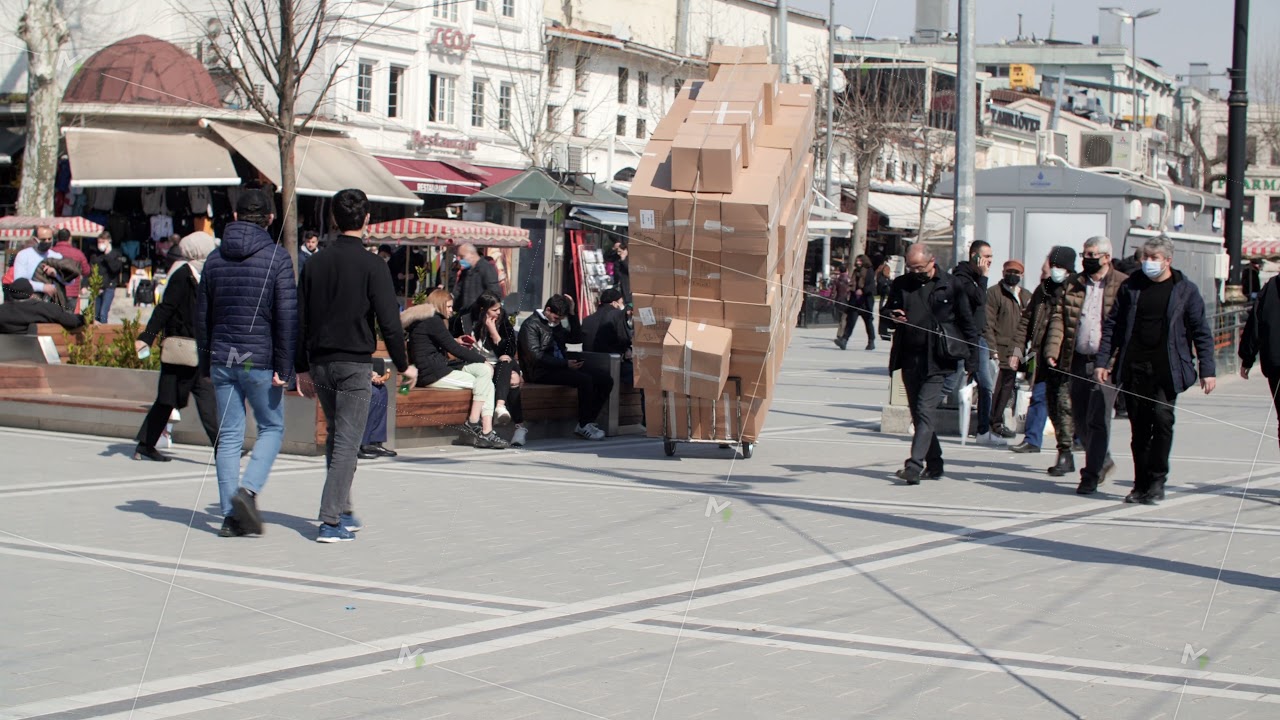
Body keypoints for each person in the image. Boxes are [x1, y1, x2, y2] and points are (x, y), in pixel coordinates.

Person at [296, 188, 416, 543]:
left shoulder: (314, 262)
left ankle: (343, 510)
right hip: (352, 365)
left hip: (320, 363)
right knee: (349, 441)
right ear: (366, 220)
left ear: (333, 219)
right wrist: (404, 362)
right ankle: (329, 520)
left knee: (338, 436)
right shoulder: (373, 266)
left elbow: (300, 318)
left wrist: (300, 366)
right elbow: (389, 323)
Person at [196, 188, 297, 539]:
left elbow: (202, 316)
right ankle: (247, 491)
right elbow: (286, 317)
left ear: (236, 217)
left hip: (223, 358)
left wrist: (204, 363)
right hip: (260, 360)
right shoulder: (277, 258)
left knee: (229, 437)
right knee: (271, 428)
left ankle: (229, 516)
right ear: (269, 218)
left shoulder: (213, 259)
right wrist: (286, 367)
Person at [1097, 235, 1216, 504]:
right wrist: (1103, 361)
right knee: (1139, 428)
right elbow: (1113, 326)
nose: (1148, 263)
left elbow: (1201, 332)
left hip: (1168, 368)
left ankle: (1157, 479)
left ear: (1168, 261)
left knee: (1162, 420)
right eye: (1145, 258)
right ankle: (1140, 484)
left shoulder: (1185, 290)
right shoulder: (1132, 286)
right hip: (1135, 366)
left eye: (1154, 259)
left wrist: (1208, 369)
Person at [886, 243, 980, 484]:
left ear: (932, 261)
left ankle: (914, 466)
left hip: (939, 360)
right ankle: (935, 463)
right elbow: (886, 311)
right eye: (910, 267)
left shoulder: (951, 285)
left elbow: (968, 323)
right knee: (918, 415)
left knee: (925, 412)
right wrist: (892, 315)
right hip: (909, 358)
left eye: (919, 267)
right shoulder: (901, 284)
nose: (915, 272)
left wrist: (973, 358)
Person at [1043, 235, 1128, 494]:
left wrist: (1116, 359)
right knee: (1079, 418)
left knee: (1098, 417)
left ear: (1106, 257)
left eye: (1092, 255)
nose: (1087, 259)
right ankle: (1102, 459)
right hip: (1078, 358)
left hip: (1106, 363)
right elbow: (1059, 317)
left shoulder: (1122, 284)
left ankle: (1090, 474)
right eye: (1085, 255)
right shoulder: (1074, 284)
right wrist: (1053, 347)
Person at [132, 233, 220, 464]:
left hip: (198, 351)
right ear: (199, 251)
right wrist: (146, 337)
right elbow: (165, 309)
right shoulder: (182, 275)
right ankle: (145, 444)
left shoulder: (206, 275)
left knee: (207, 398)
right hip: (179, 351)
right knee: (166, 400)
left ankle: (223, 447)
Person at [401, 289, 507, 449]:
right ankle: (482, 430)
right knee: (486, 382)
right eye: (449, 306)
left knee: (484, 374)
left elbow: (444, 343)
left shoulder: (428, 319)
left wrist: (456, 341)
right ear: (440, 305)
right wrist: (483, 359)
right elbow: (453, 349)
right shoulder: (433, 320)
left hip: (439, 368)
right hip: (433, 374)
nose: (452, 310)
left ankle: (479, 428)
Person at [519, 294, 613, 441]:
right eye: (556, 318)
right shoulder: (530, 325)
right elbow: (536, 356)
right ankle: (584, 424)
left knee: (605, 379)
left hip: (561, 366)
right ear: (548, 310)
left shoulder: (555, 325)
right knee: (585, 380)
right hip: (540, 371)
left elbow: (576, 338)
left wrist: (573, 314)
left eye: (561, 319)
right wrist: (565, 364)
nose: (558, 321)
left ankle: (588, 420)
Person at [1009, 248, 1074, 455]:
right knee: (1038, 395)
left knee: (1067, 402)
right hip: (1039, 353)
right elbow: (1026, 322)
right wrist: (1017, 352)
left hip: (1065, 357)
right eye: (1050, 265)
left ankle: (1077, 439)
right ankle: (1032, 439)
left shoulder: (1074, 290)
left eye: (1056, 266)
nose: (1051, 270)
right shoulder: (1042, 290)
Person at [948, 241, 994, 439]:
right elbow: (978, 299)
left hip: (979, 337)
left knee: (986, 383)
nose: (990, 261)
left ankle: (983, 430)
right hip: (964, 337)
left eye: (991, 256)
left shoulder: (975, 277)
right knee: (951, 380)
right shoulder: (962, 277)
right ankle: (919, 419)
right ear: (975, 256)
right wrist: (983, 277)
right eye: (986, 256)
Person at [471, 291, 528, 447]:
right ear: (483, 309)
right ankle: (519, 427)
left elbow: (509, 352)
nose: (498, 312)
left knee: (506, 364)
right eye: (494, 310)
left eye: (499, 308)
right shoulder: (469, 321)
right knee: (513, 379)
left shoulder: (503, 321)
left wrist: (494, 333)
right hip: (482, 365)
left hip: (503, 363)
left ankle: (500, 406)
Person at [984, 259, 1032, 439]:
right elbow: (988, 323)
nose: (1012, 275)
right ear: (1003, 272)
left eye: (1016, 272)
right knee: (997, 385)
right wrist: (992, 348)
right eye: (1009, 271)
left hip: (1018, 348)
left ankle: (1000, 420)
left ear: (1022, 275)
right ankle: (993, 422)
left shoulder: (1026, 295)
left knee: (1010, 385)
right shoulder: (994, 293)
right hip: (1000, 347)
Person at [1240, 260, 1280, 449]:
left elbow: (1254, 325)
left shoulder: (1270, 287)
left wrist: (1247, 357)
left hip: (1275, 363)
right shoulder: (1270, 288)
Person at [582, 287, 633, 385]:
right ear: (614, 303)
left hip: (590, 364)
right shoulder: (617, 315)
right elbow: (624, 340)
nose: (621, 306)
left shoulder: (587, 320)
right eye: (621, 303)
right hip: (611, 364)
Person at [451, 243, 503, 335]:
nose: (459, 259)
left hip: (479, 318)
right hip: (465, 316)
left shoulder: (486, 268)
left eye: (462, 256)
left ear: (471, 254)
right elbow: (458, 293)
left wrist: (484, 311)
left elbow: (494, 293)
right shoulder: (466, 271)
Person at [0, 279, 85, 333]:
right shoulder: (46, 309)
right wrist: (85, 318)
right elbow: (71, 321)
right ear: (31, 293)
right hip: (38, 354)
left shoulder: (2, 311)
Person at [9, 226, 64, 300]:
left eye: (49, 239)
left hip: (53, 300)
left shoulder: (57, 256)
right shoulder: (24, 255)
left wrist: (56, 274)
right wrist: (42, 287)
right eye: (43, 239)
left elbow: (69, 281)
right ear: (35, 239)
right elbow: (19, 282)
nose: (47, 241)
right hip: (30, 299)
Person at [358, 358, 397, 460]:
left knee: (382, 389)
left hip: (358, 370)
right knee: (373, 393)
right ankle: (360, 442)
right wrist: (365, 374)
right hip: (341, 372)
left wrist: (371, 372)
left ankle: (373, 442)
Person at [837, 256, 877, 351]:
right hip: (855, 301)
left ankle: (871, 341)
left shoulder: (869, 271)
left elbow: (871, 286)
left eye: (860, 260)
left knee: (868, 322)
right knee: (851, 321)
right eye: (857, 260)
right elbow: (852, 283)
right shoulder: (855, 271)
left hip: (865, 302)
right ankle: (844, 340)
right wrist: (850, 289)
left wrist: (863, 290)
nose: (858, 262)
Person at [51, 229, 90, 311]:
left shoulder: (51, 252)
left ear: (57, 238)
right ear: (70, 238)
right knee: (69, 318)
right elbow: (86, 271)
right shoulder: (78, 253)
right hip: (73, 292)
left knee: (55, 318)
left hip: (55, 291)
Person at [93, 232, 126, 324]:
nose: (100, 244)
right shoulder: (96, 255)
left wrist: (108, 255)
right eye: (99, 242)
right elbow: (92, 269)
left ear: (109, 242)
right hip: (97, 286)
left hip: (109, 286)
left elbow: (115, 269)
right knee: (95, 314)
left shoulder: (116, 254)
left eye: (103, 242)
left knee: (103, 313)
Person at [610, 241, 631, 306]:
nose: (618, 253)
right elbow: (616, 272)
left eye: (620, 251)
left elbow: (629, 270)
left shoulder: (629, 259)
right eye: (617, 251)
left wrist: (623, 260)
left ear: (625, 250)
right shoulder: (617, 260)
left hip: (628, 286)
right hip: (620, 285)